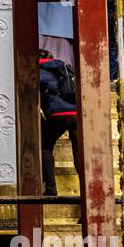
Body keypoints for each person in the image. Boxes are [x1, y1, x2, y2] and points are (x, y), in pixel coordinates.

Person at [38, 48, 79, 196]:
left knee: (45, 147)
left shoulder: (38, 72)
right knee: (79, 152)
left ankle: (51, 189)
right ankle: (85, 190)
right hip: (76, 114)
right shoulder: (65, 68)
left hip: (57, 114)